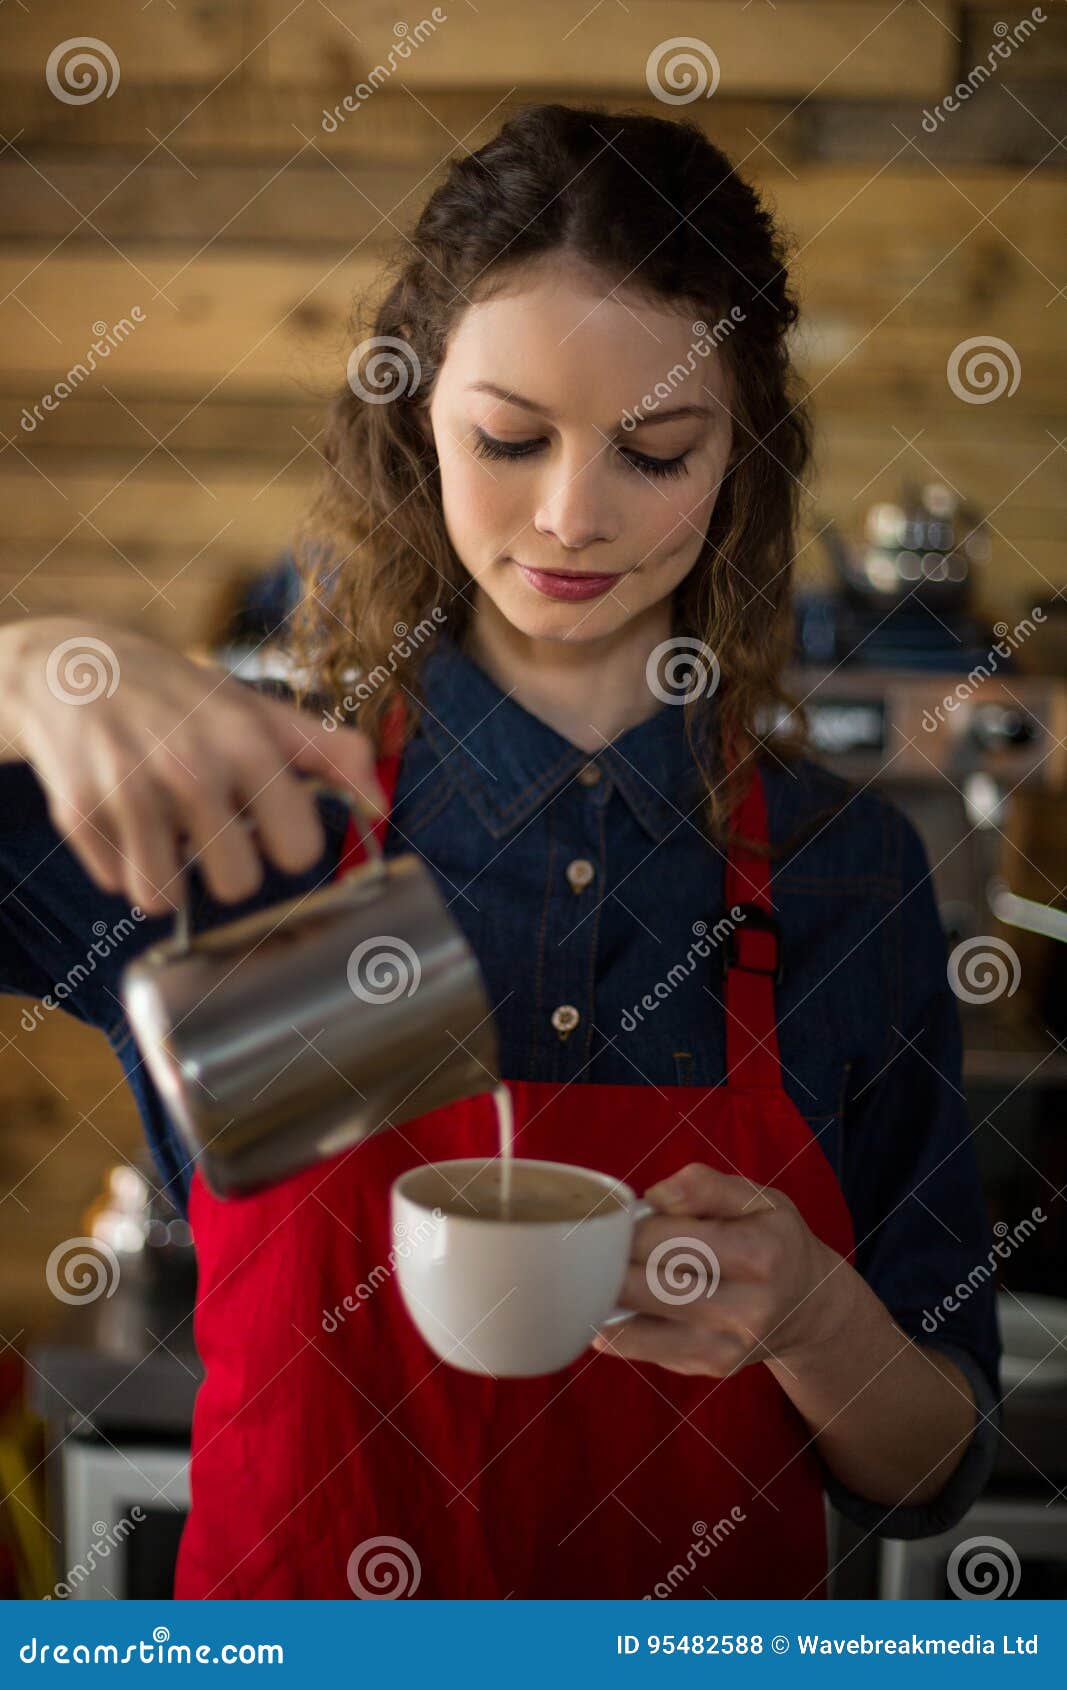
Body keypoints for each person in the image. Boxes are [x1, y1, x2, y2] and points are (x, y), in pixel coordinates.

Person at [0, 103, 1000, 1600]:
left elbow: (930, 1460)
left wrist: (812, 1315)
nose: (572, 515)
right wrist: (20, 662)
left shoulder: (847, 872)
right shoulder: (261, 816)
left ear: (745, 450)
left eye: (655, 450)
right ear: (415, 409)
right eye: (510, 437)